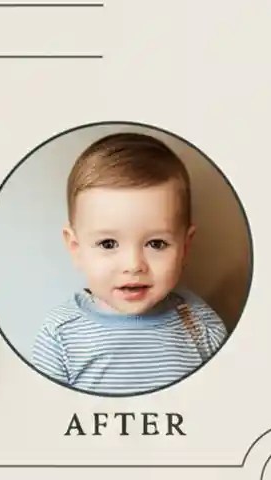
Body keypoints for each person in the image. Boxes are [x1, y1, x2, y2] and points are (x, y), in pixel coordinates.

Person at [31, 132, 227, 395]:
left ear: (185, 247)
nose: (134, 265)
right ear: (75, 249)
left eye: (156, 244)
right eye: (108, 244)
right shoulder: (59, 335)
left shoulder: (201, 326)